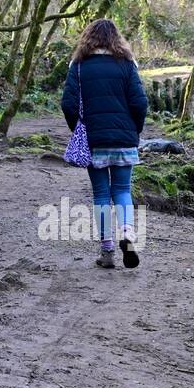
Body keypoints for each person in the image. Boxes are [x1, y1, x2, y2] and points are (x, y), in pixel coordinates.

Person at [61, 18, 148, 269]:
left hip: (94, 140)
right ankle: (128, 233)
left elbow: (68, 104)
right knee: (122, 189)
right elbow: (140, 103)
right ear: (116, 39)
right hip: (124, 139)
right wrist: (135, 130)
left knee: (101, 194)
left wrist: (79, 130)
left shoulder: (78, 65)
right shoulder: (127, 64)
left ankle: (107, 251)